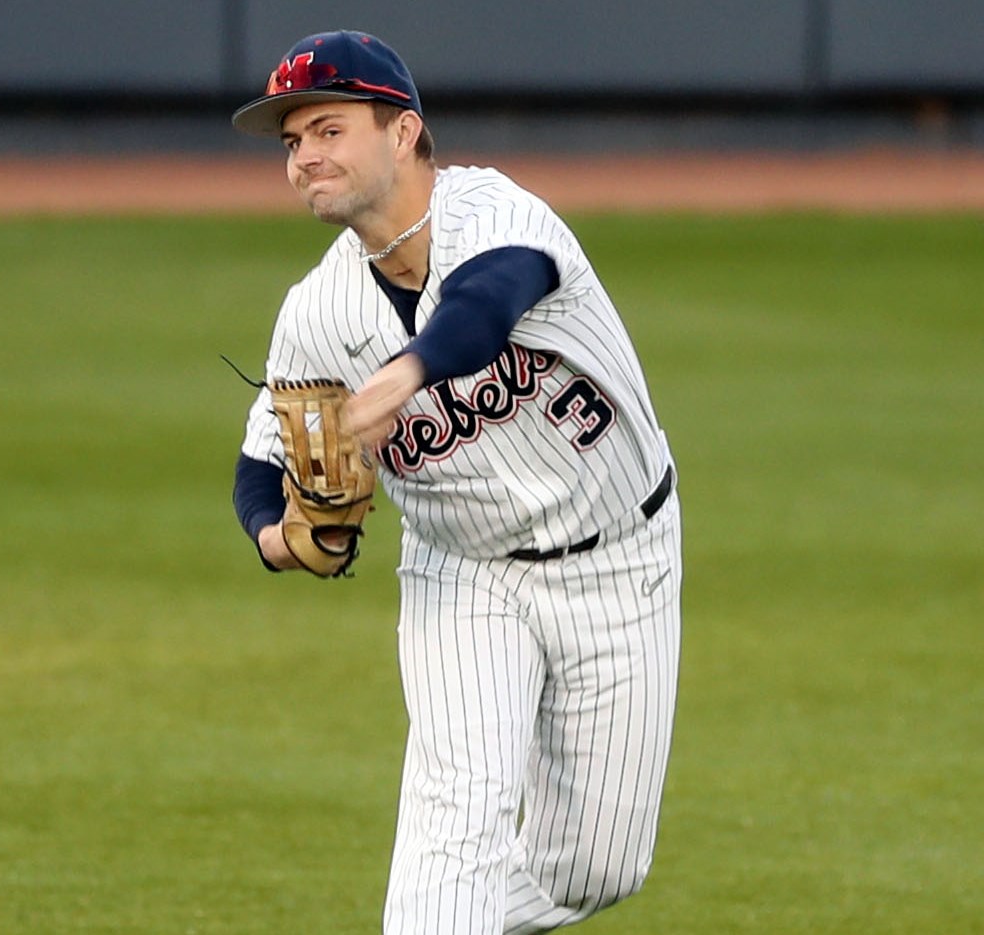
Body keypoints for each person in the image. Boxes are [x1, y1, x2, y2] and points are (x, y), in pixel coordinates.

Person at [229, 30, 682, 935]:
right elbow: (257, 471)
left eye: (327, 129)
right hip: (466, 578)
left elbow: (486, 303)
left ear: (402, 133)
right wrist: (282, 541)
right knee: (457, 817)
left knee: (596, 865)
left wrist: (405, 374)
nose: (305, 157)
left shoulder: (499, 212)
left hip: (623, 558)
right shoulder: (317, 310)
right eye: (291, 143)